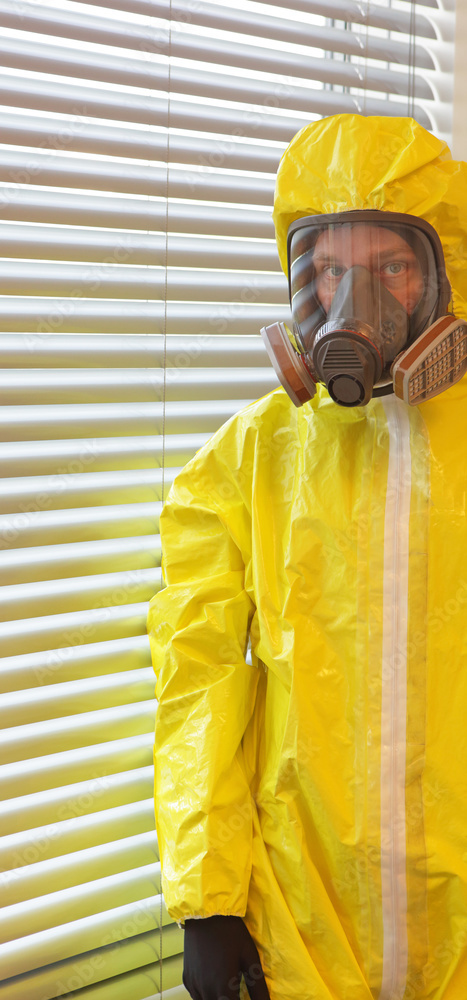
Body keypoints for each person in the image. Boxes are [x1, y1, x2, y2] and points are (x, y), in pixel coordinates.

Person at [147, 113, 467, 1000]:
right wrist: (208, 903)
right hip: (301, 913)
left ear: (443, 271)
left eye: (388, 268)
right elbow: (199, 679)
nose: (350, 303)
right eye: (328, 269)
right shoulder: (250, 460)